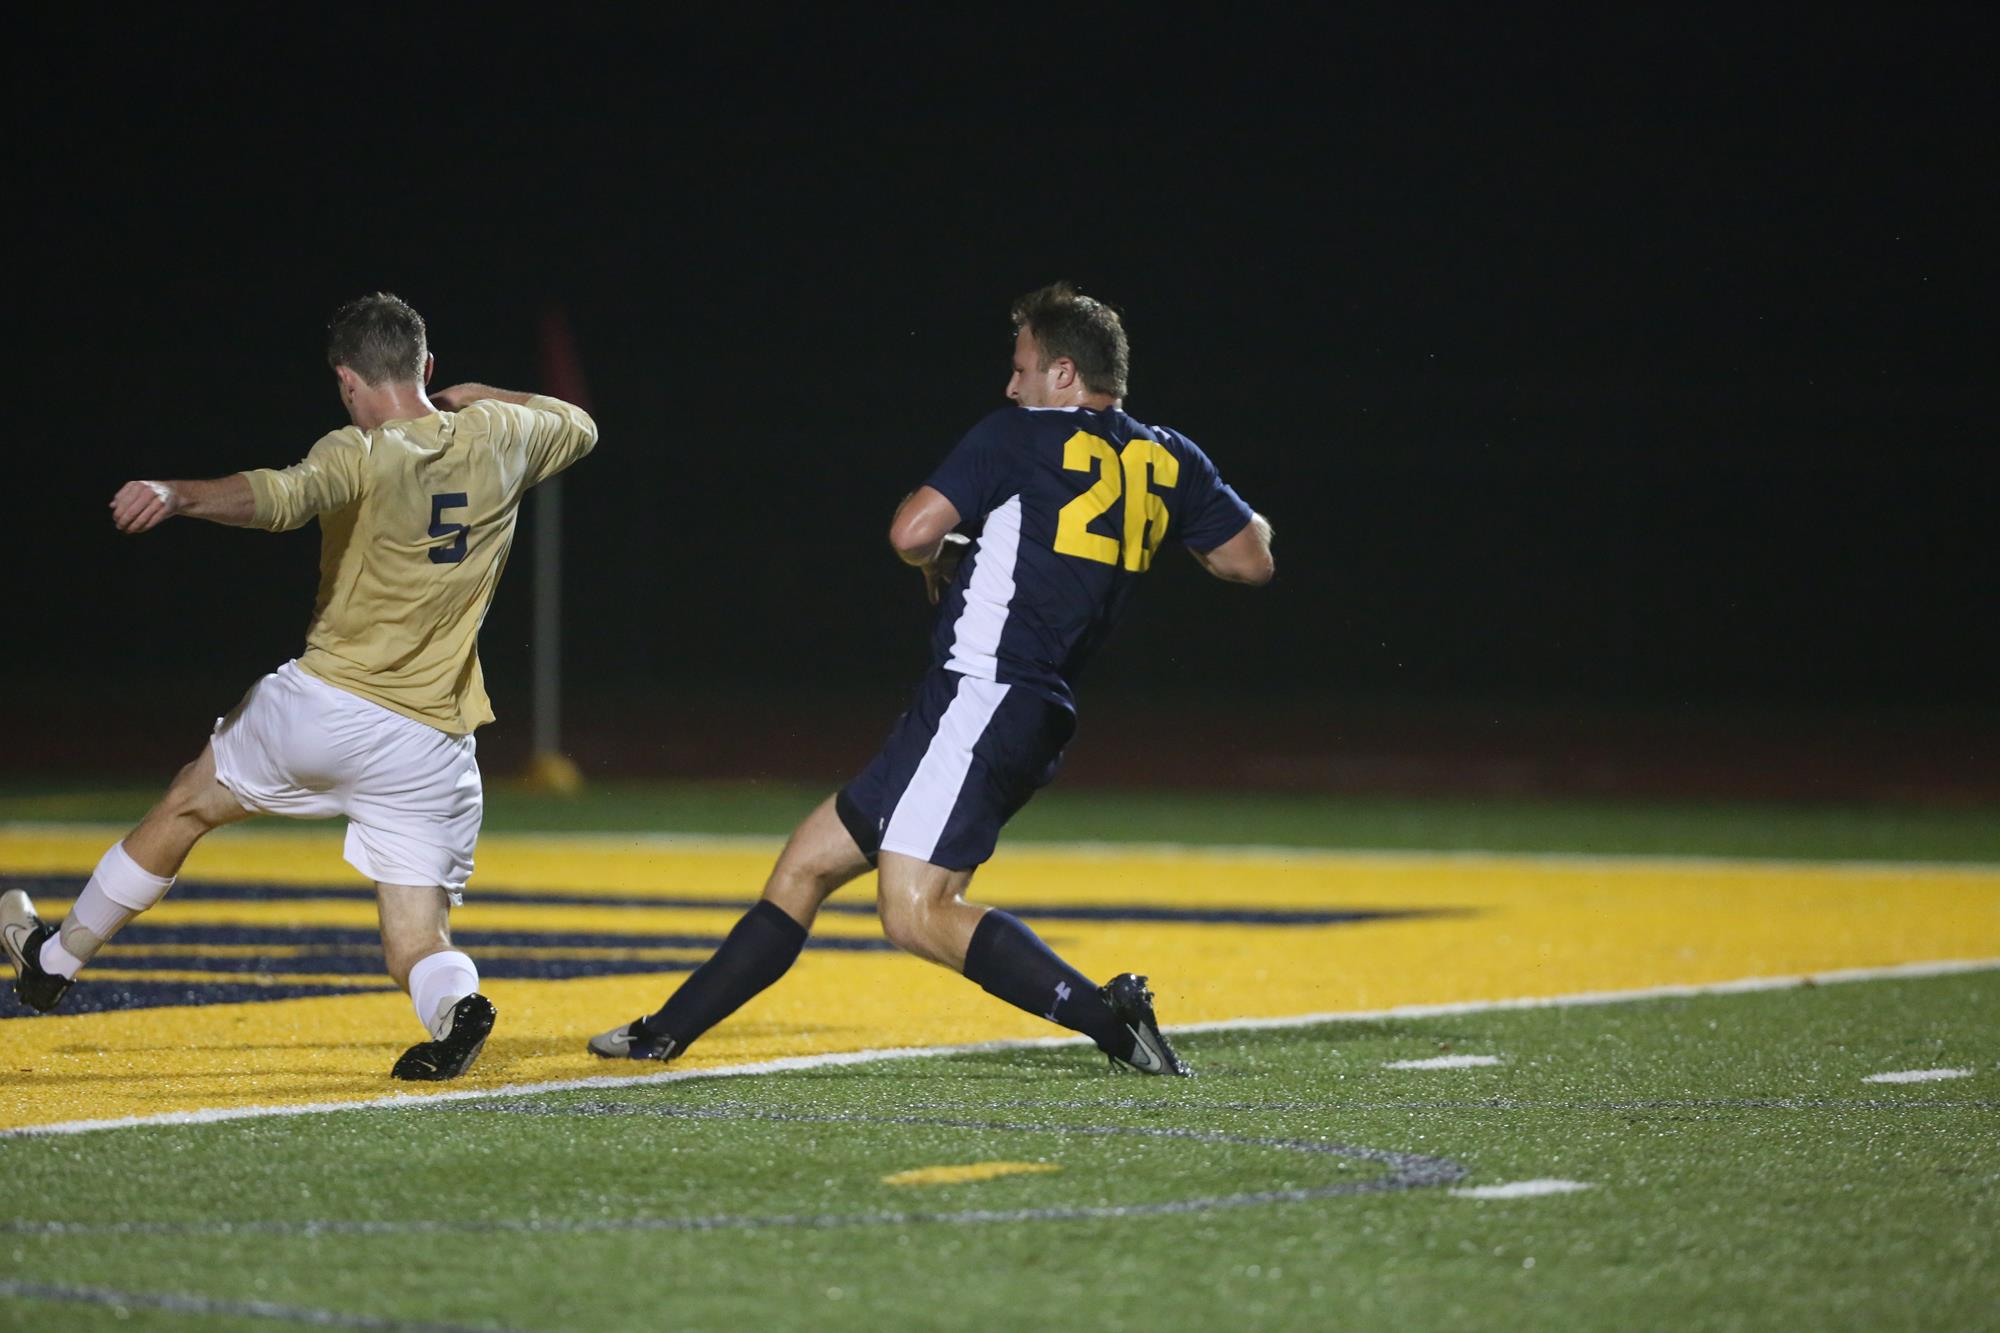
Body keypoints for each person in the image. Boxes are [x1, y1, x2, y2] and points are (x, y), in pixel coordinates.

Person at [589, 282, 1272, 1075]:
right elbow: (1249, 557)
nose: (1009, 385)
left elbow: (911, 531)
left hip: (985, 692)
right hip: (1009, 701)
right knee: (808, 860)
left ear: (1061, 375)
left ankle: (1110, 1017)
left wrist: (940, 555)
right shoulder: (1169, 455)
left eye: (1021, 368)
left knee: (914, 911)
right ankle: (664, 1031)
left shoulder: (1018, 434)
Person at [1, 293, 598, 1081]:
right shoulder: (503, 434)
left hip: (328, 707)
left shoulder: (359, 449)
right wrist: (484, 394)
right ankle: (456, 1006)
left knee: (185, 803)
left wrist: (180, 493)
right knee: (417, 939)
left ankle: (55, 960)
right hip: (431, 740)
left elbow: (278, 497)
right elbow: (580, 424)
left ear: (348, 380)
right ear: (428, 365)